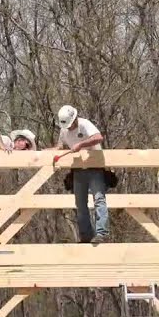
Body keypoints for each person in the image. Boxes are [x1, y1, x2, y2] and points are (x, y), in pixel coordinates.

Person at [51, 105, 109, 244]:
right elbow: (60, 146)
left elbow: (98, 137)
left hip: (95, 167)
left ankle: (102, 233)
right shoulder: (64, 130)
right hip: (78, 169)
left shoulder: (85, 124)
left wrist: (81, 144)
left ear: (75, 118)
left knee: (99, 199)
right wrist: (48, 151)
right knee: (80, 204)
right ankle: (86, 236)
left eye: (71, 125)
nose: (69, 128)